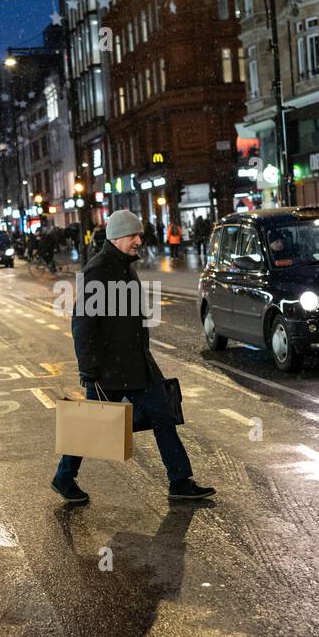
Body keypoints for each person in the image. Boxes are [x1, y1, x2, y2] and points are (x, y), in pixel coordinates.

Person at [52, 209, 216, 505]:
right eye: (133, 235)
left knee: (164, 416)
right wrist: (89, 368)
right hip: (110, 370)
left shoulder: (126, 265)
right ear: (116, 238)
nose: (139, 240)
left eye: (139, 235)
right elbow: (82, 323)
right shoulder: (99, 269)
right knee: (92, 424)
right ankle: (64, 477)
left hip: (137, 365)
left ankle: (180, 481)